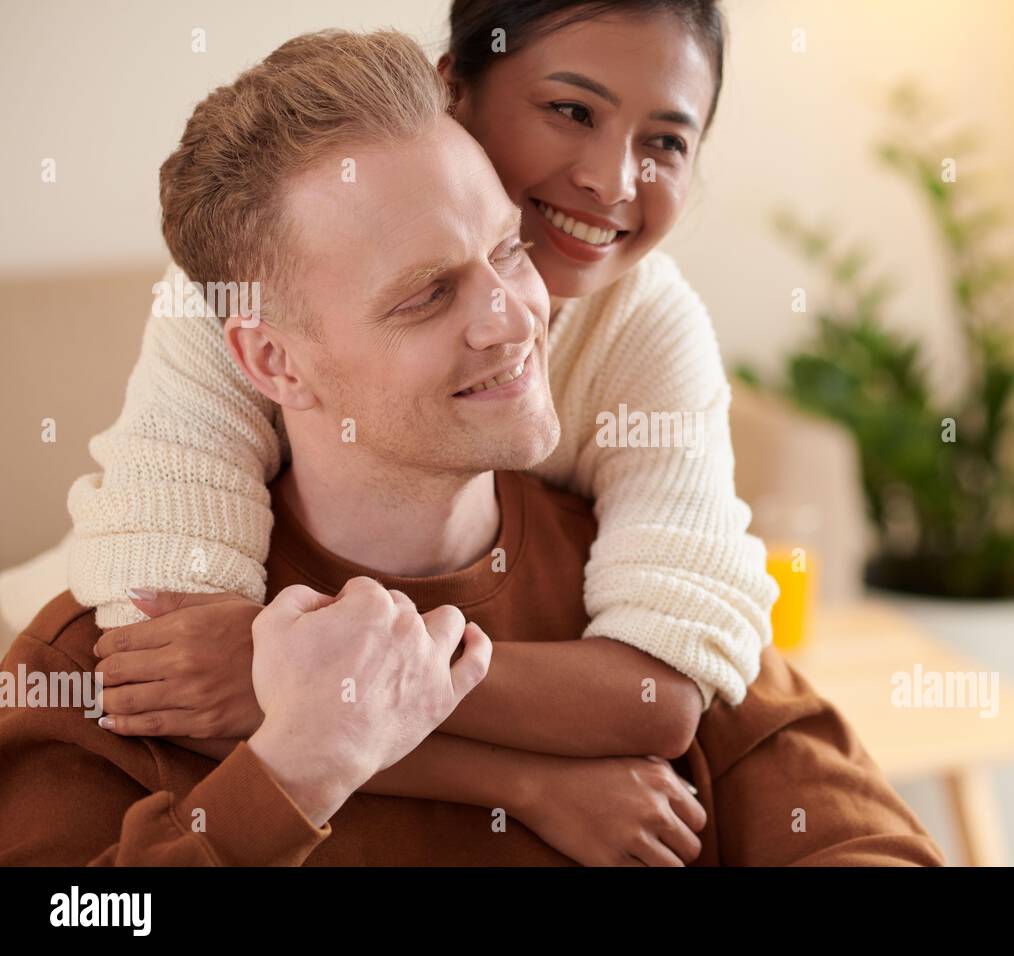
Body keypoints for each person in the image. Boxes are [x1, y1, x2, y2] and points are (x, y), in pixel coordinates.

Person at [0, 29, 942, 867]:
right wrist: (291, 772)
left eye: (509, 252)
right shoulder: (127, 665)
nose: (513, 320)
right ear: (272, 360)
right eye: (426, 296)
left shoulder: (647, 603)